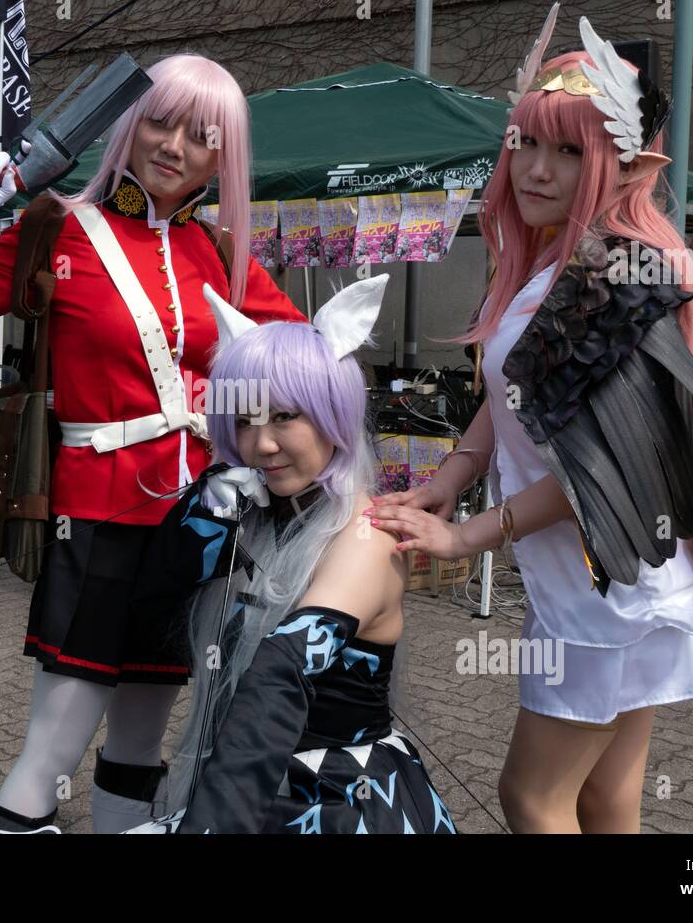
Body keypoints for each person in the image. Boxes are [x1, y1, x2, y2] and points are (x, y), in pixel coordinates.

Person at [366, 7, 693, 833]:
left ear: (617, 164)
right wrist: (452, 480)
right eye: (528, 143)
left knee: (532, 796)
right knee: (603, 796)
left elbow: (614, 468)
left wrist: (469, 536)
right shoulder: (562, 261)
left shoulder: (619, 276)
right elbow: (517, 392)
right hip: (614, 587)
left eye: (569, 150)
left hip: (612, 592)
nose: (538, 169)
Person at [0, 53, 306, 831]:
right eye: (159, 120)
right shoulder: (57, 229)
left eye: (202, 135)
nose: (174, 146)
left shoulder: (220, 250)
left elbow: (298, 354)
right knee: (55, 739)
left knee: (144, 733)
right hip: (96, 514)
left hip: (199, 520)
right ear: (128, 121)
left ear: (226, 157)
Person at [129, 275, 457, 834]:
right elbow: (148, 610)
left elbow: (283, 668)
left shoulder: (366, 535)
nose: (262, 445)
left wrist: (216, 822)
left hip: (340, 801)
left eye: (284, 416)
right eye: (245, 421)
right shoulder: (251, 512)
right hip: (248, 784)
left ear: (332, 411)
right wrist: (201, 517)